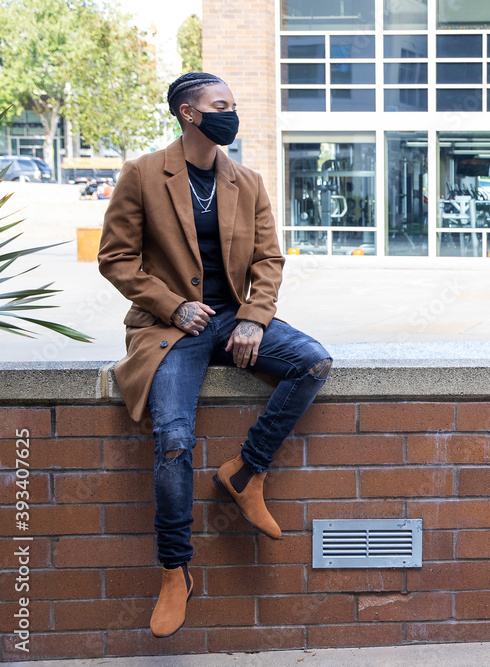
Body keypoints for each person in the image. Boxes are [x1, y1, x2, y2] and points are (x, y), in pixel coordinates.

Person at [98, 72, 333, 638]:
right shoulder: (143, 175)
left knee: (314, 361)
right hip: (170, 328)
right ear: (188, 112)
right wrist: (174, 306)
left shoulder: (246, 181)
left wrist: (253, 318)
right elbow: (116, 257)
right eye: (220, 105)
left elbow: (268, 261)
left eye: (233, 104)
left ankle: (246, 471)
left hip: (232, 320)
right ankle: (174, 569)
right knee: (174, 438)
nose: (231, 114)